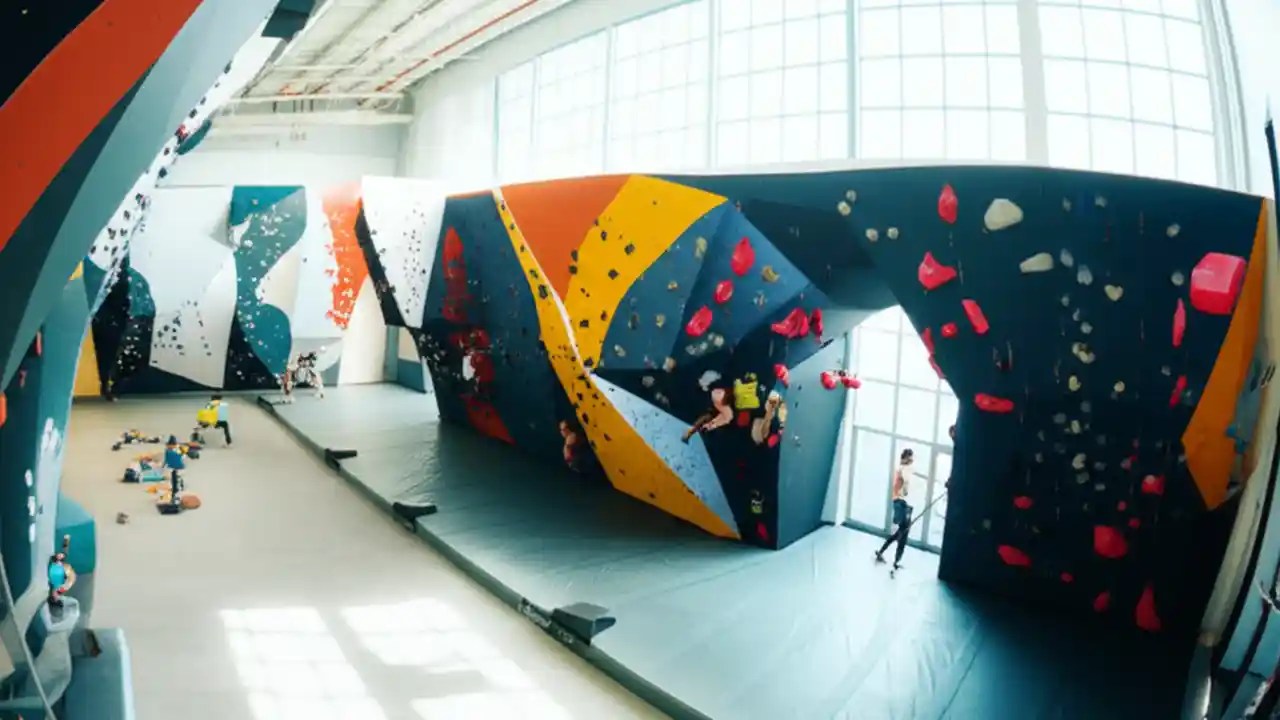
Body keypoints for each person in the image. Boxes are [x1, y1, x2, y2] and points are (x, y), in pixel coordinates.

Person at [875, 449, 915, 570]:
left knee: (900, 534)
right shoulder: (903, 470)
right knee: (902, 534)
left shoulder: (904, 469)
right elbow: (901, 489)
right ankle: (895, 561)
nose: (912, 460)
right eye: (910, 457)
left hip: (903, 504)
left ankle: (885, 554)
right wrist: (904, 511)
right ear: (906, 457)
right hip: (901, 503)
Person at [163, 435, 186, 501]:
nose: (169, 446)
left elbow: (182, 456)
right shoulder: (168, 451)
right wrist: (163, 466)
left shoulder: (177, 450)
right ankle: (174, 490)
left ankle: (176, 490)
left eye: (171, 445)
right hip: (173, 467)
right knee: (173, 479)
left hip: (178, 467)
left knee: (176, 479)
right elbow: (166, 459)